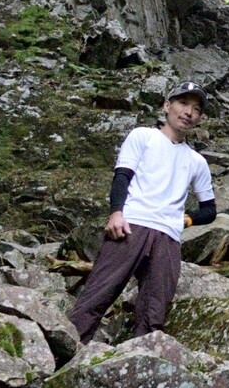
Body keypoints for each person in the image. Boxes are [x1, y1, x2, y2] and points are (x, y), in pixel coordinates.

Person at [69, 82, 217, 344]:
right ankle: (66, 353)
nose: (189, 112)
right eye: (183, 104)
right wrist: (116, 213)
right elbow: (122, 176)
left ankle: (140, 363)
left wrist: (187, 219)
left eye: (196, 109)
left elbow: (210, 210)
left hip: (168, 236)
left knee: (154, 310)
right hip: (132, 224)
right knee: (99, 293)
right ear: (167, 105)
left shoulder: (197, 161)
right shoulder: (142, 136)